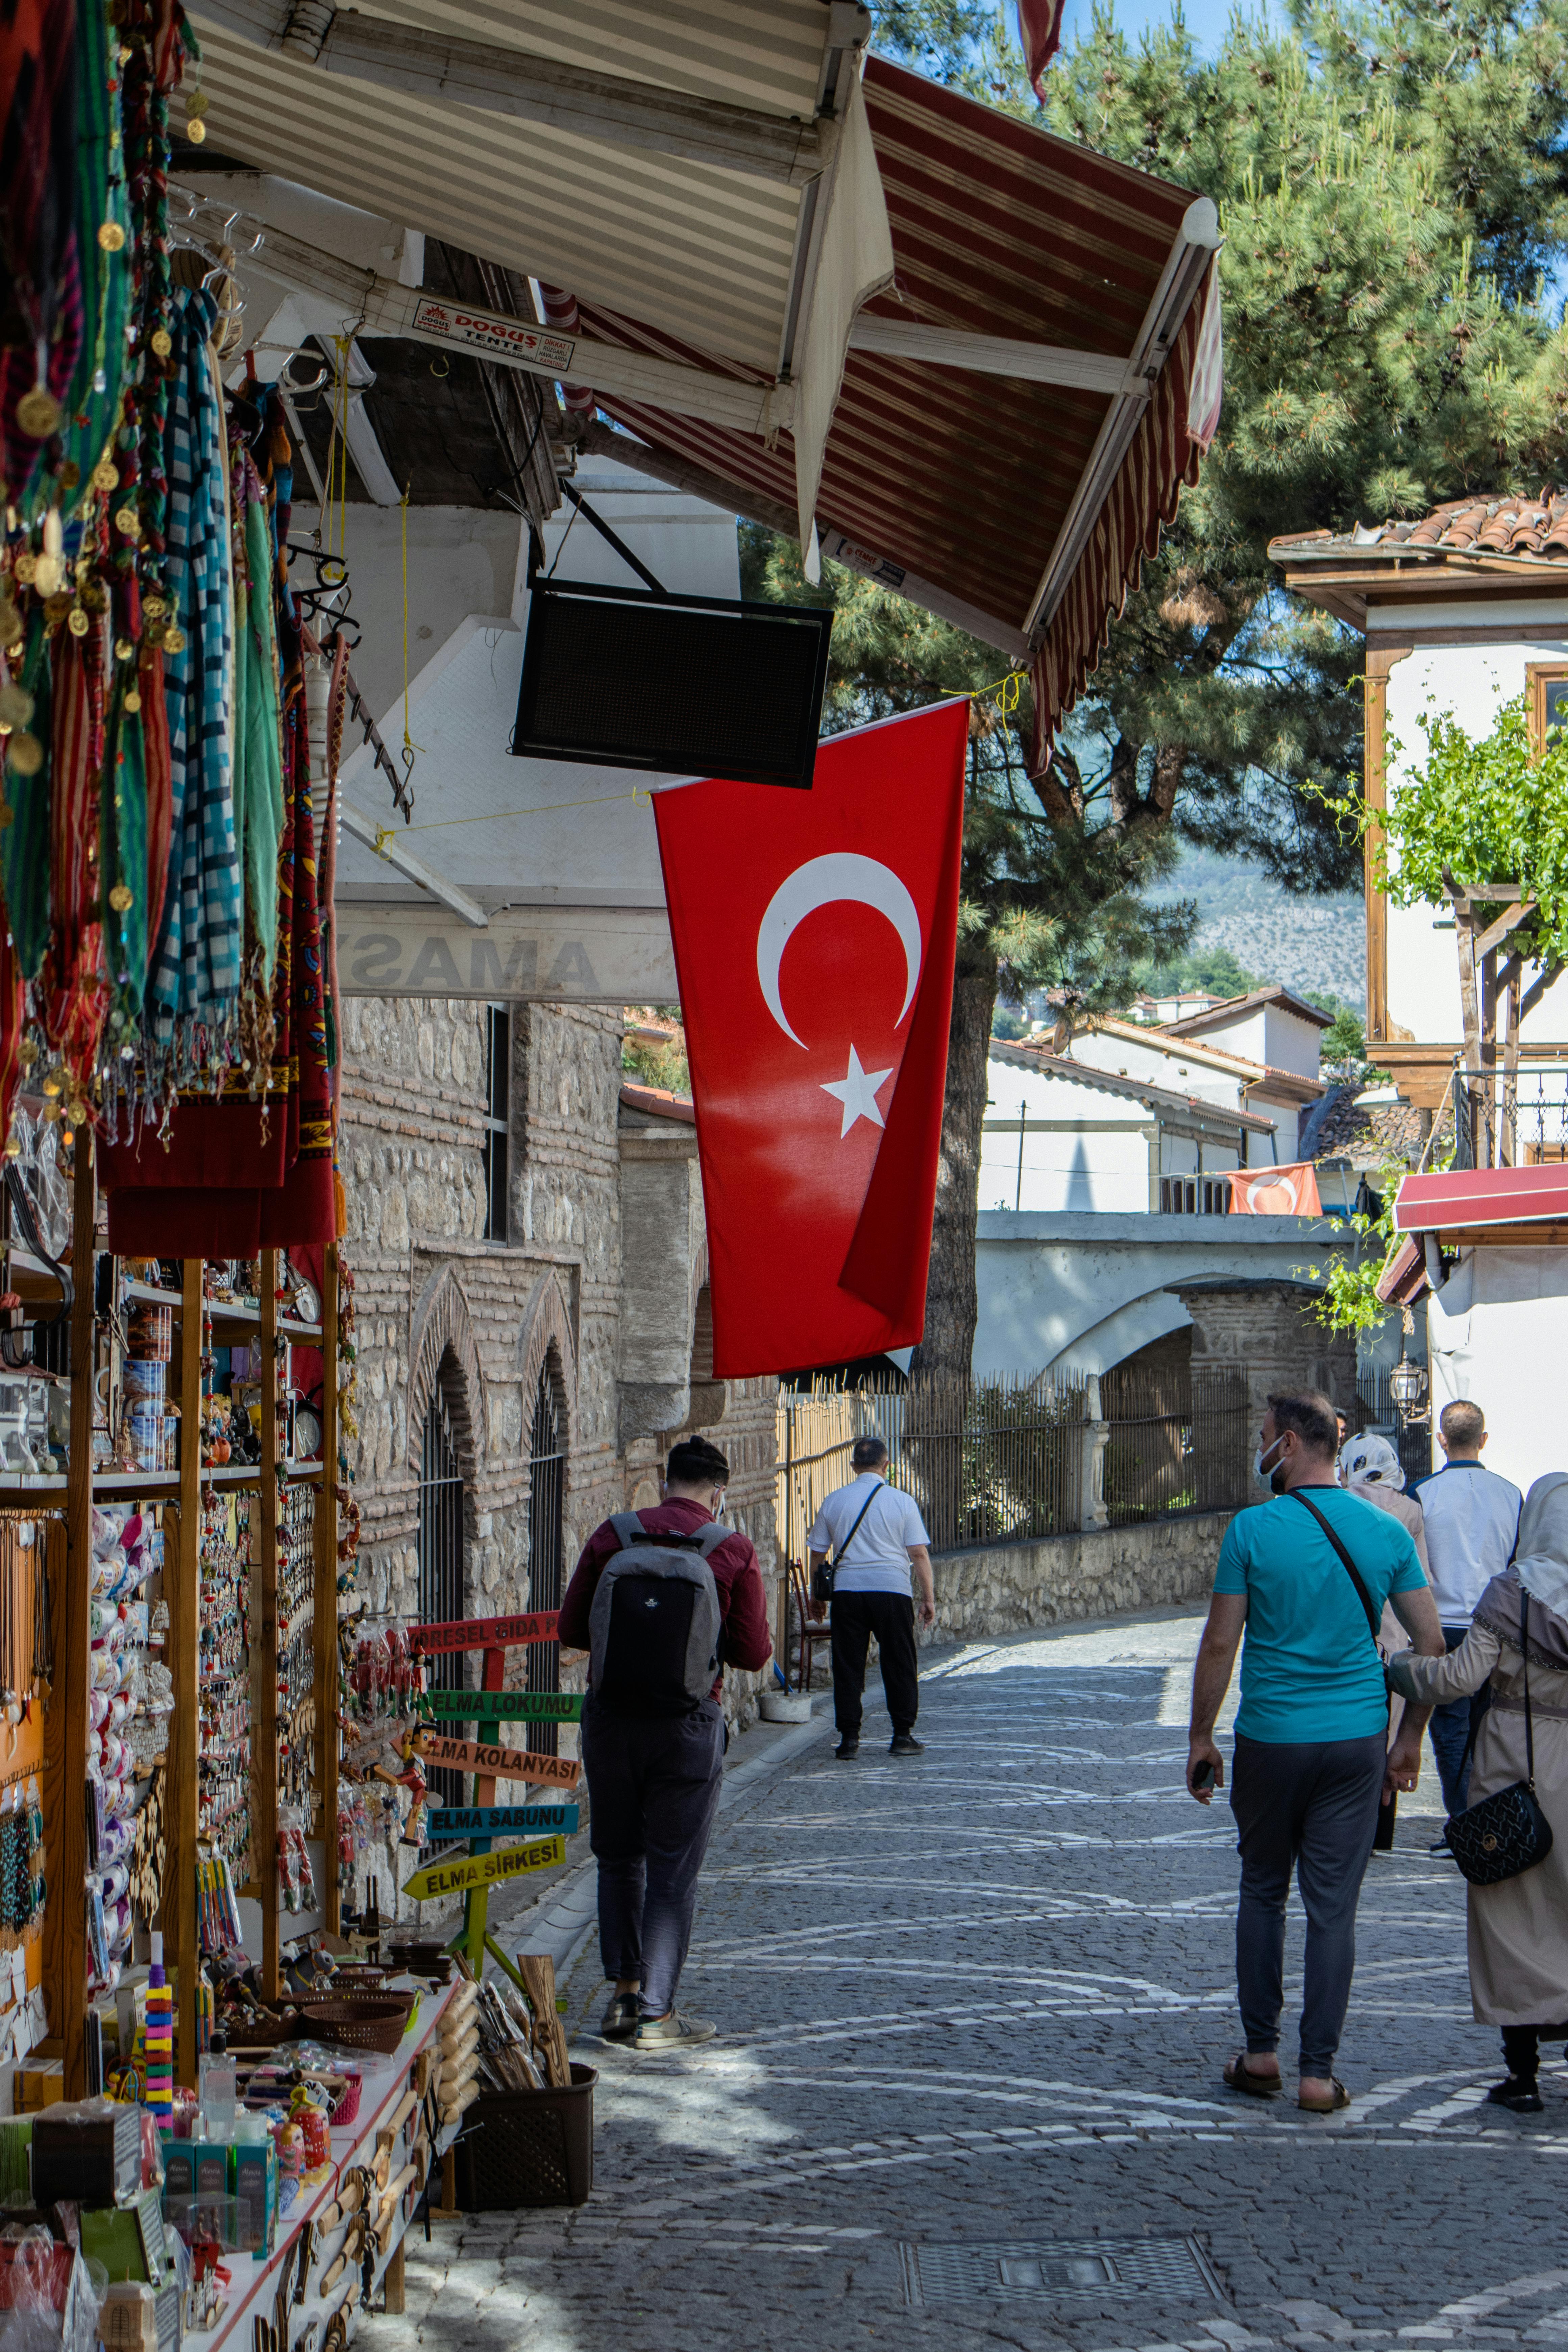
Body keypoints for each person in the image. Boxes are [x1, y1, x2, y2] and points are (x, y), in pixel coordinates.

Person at [1188, 1389, 1445, 2111]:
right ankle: (1317, 2073)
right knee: (1333, 1910)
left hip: (1272, 1738)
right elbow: (1431, 1647)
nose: (1261, 1448)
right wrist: (1409, 1739)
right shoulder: (1384, 1534)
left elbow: (1218, 1642)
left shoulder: (1251, 1531)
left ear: (1293, 1447)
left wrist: (1200, 1735)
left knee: (1263, 1892)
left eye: (1266, 1437)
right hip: (1355, 1741)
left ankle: (1261, 2053)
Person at [557, 1435, 772, 2053]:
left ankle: (624, 1996)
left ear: (663, 1478)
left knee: (619, 1859)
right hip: (686, 1728)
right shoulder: (731, 1549)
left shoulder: (614, 1535)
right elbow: (754, 1653)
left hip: (611, 1722)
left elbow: (572, 1629)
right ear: (720, 1492)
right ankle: (657, 2017)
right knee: (673, 1875)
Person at [1387, 1472, 1568, 2113]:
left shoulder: (1510, 1595)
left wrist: (1401, 1668)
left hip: (1516, 1765)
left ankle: (1523, 2076)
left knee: (1513, 1912)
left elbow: (1461, 1678)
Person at [1414, 1400, 1522, 1824]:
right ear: (1483, 1440)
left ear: (1441, 1440)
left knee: (1450, 1729)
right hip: (1496, 1625)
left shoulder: (1422, 1494)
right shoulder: (1511, 1494)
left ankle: (1462, 1819)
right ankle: (1491, 1818)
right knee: (1491, 1728)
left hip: (1443, 1625)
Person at [807, 1434, 935, 1760]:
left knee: (848, 1664)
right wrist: (928, 1598)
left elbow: (818, 1554)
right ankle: (903, 1735)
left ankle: (849, 1739)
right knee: (900, 1662)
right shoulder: (902, 1501)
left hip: (849, 1592)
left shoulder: (834, 1500)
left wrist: (817, 1595)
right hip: (892, 1591)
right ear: (886, 1465)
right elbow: (918, 1554)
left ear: (853, 1466)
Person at [1338, 1432, 1430, 1853]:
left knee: (1348, 1726)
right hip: (1393, 1632)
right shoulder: (1409, 1510)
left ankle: (1340, 1821)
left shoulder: (1338, 1506)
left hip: (1347, 1632)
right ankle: (1380, 1829)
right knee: (1389, 1730)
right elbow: (1421, 1581)